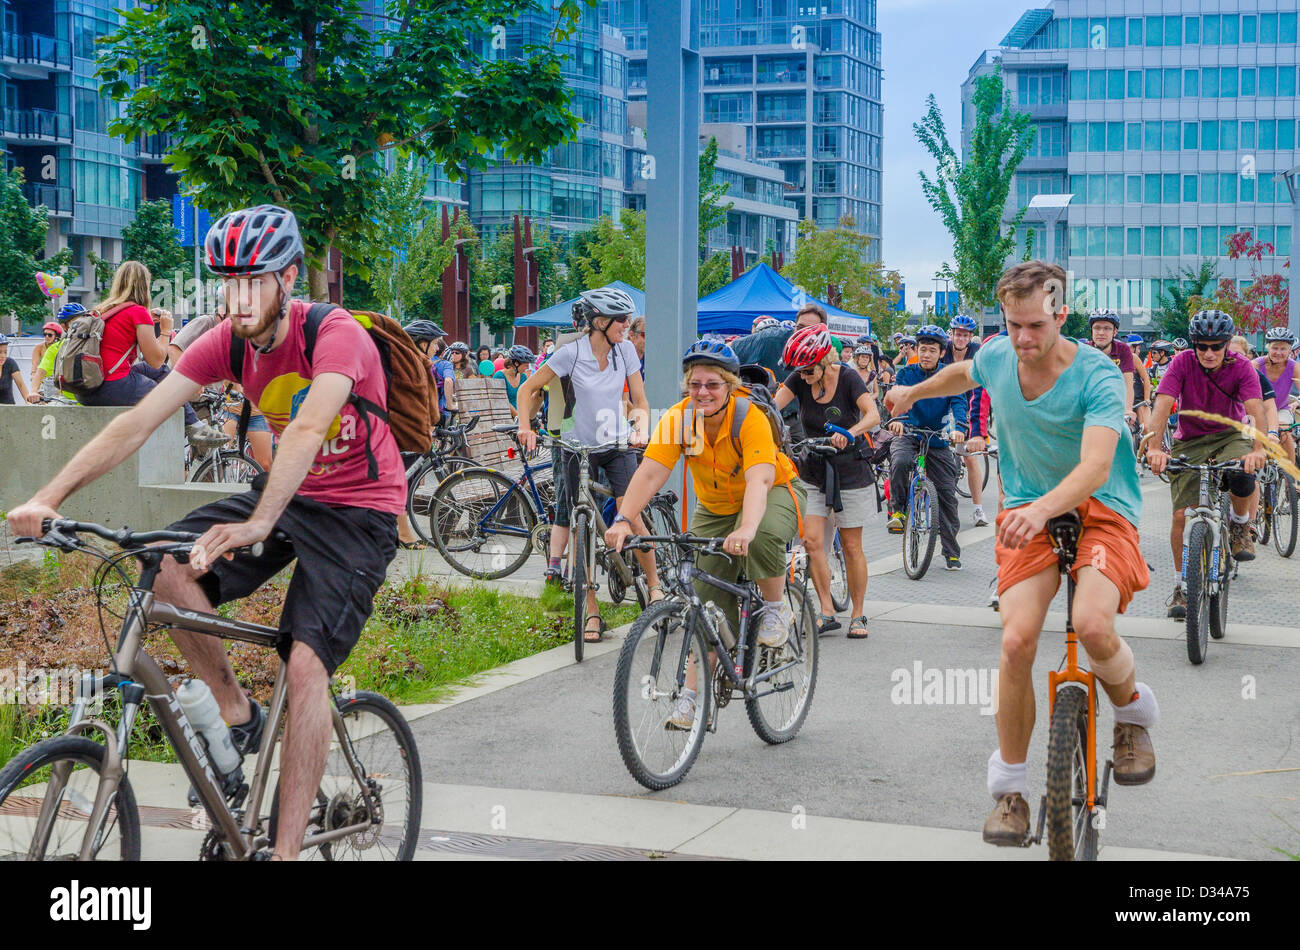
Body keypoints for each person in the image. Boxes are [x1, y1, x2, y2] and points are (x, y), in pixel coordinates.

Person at [8, 204, 403, 860]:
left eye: (255, 280)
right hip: (286, 496)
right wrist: (47, 496)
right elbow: (137, 422)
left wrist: (259, 521)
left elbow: (306, 430)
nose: (239, 296)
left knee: (305, 666)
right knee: (162, 565)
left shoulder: (335, 335)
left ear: (290, 278)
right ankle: (237, 714)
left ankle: (280, 853)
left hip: (360, 511)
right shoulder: (226, 340)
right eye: (229, 281)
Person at [887, 259, 1156, 845]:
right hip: (1030, 511)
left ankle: (1132, 716)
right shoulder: (999, 355)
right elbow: (962, 373)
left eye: (1035, 325)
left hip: (1102, 508)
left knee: (1091, 624)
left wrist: (1037, 508)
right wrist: (911, 391)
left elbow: (1095, 466)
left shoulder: (1100, 376)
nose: (1023, 339)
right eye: (1012, 325)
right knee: (1014, 641)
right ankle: (1010, 790)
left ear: (1062, 315)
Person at [605, 339, 808, 728]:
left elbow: (759, 479)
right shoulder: (681, 419)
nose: (703, 392)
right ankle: (690, 699)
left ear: (730, 385)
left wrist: (747, 527)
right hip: (715, 509)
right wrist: (623, 520)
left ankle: (776, 606)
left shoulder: (749, 416)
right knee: (706, 609)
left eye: (713, 384)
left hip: (774, 491)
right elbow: (649, 472)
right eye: (695, 384)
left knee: (763, 536)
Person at [515, 286, 663, 642]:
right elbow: (527, 390)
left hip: (615, 444)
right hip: (576, 448)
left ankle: (656, 587)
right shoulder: (571, 353)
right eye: (622, 320)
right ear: (599, 322)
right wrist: (524, 427)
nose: (627, 325)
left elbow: (639, 400)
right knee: (582, 523)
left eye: (629, 320)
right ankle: (591, 610)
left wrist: (640, 429)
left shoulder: (625, 350)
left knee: (633, 512)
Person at [1146, 310, 1268, 618]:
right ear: (1194, 345)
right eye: (1202, 346)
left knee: (1243, 471)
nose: (1209, 352)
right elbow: (1163, 402)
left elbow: (1255, 408)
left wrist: (1258, 449)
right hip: (1191, 440)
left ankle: (1240, 526)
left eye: (1216, 346)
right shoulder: (1182, 362)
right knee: (1178, 516)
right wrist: (1155, 448)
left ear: (1227, 344)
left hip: (1231, 435)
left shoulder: (1241, 366)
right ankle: (1181, 587)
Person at [773, 324, 879, 638]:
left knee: (850, 545)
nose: (802, 377)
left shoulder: (848, 377)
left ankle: (858, 614)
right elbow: (771, 408)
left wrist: (850, 433)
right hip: (813, 468)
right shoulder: (799, 378)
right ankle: (826, 610)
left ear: (823, 362)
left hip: (850, 469)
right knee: (811, 541)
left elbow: (873, 415)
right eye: (799, 373)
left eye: (807, 371)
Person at [78, 261, 227, 449]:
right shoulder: (138, 313)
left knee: (157, 372)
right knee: (164, 387)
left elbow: (153, 365)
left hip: (88, 388)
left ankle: (194, 424)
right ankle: (195, 428)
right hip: (111, 386)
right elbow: (156, 359)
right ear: (144, 285)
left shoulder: (105, 310)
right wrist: (165, 331)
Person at [885, 325, 966, 570]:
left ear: (942, 353)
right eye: (923, 349)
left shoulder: (950, 375)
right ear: (916, 351)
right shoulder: (906, 374)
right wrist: (897, 420)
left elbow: (959, 402)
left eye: (932, 350)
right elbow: (895, 400)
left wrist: (959, 427)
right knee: (899, 461)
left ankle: (951, 552)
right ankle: (898, 511)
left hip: (938, 438)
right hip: (909, 433)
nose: (927, 354)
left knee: (947, 495)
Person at [168, 301, 275, 472]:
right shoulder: (206, 323)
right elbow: (174, 349)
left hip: (225, 403)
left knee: (217, 460)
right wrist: (192, 380)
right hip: (200, 402)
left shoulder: (241, 334)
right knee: (206, 457)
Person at [942, 313, 988, 526]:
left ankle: (978, 510)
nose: (960, 339)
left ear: (970, 337)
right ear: (951, 334)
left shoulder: (977, 354)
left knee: (969, 458)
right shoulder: (942, 352)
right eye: (957, 334)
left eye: (965, 335)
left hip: (968, 407)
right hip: (943, 403)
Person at [1086, 311, 1148, 438]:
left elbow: (1128, 383)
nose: (1101, 332)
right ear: (1091, 330)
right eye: (1097, 328)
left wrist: (1127, 409)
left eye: (1107, 328)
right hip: (1090, 405)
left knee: (1131, 434)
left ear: (1115, 332)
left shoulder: (1123, 350)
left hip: (1118, 404)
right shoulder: (1084, 350)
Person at [1254, 326, 1300, 464]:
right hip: (1257, 410)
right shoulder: (1255, 365)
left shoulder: (1295, 367)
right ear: (1268, 347)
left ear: (1290, 350)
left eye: (1283, 349)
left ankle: (1291, 477)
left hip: (1281, 409)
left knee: (1285, 433)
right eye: (1275, 348)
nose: (1278, 352)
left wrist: (1297, 403)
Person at [29, 304, 85, 403]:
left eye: (84, 320)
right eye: (76, 322)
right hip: (67, 399)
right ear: (64, 326)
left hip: (89, 399)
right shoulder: (55, 349)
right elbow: (40, 372)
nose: (82, 324)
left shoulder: (94, 343)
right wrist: (33, 391)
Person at [492, 344, 534, 419]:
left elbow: (525, 399)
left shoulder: (523, 376)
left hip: (519, 416)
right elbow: (502, 400)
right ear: (516, 363)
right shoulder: (499, 376)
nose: (527, 368)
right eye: (525, 365)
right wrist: (519, 417)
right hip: (503, 417)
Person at [0, 334, 32, 405]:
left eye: (5, 352)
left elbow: (21, 384)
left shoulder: (10, 363)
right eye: (0, 352)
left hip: (9, 409)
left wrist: (28, 401)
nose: (2, 356)